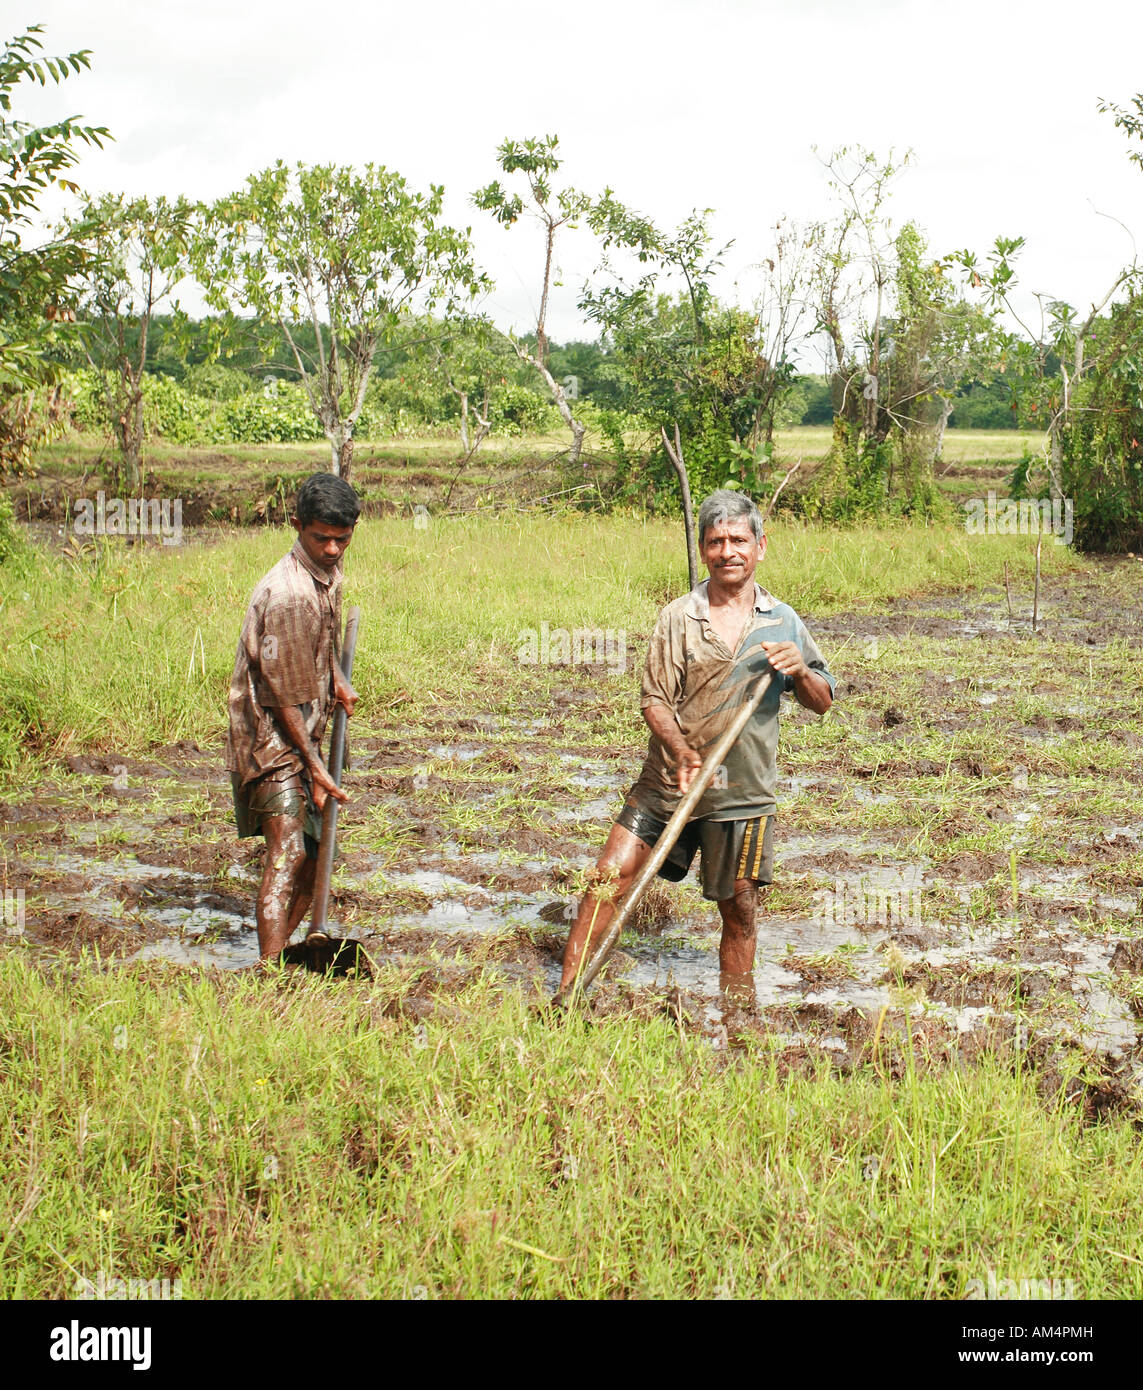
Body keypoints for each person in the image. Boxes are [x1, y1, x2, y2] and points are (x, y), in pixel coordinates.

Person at [558, 489, 835, 1002]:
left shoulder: (784, 621)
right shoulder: (679, 617)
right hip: (668, 782)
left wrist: (799, 671)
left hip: (742, 794)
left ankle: (736, 1016)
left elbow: (822, 700)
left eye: (738, 540)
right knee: (605, 883)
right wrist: (682, 749)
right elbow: (654, 700)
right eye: (715, 541)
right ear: (703, 550)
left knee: (740, 908)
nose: (727, 551)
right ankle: (567, 999)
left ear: (760, 546)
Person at [226, 473, 361, 964]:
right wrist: (316, 767)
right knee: (289, 854)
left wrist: (335, 678)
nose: (331, 549)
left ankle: (282, 955)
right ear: (296, 525)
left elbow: (319, 644)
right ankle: (269, 973)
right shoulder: (287, 595)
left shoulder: (327, 575)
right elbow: (280, 695)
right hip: (269, 737)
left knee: (316, 859)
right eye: (320, 538)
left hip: (303, 728)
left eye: (341, 539)